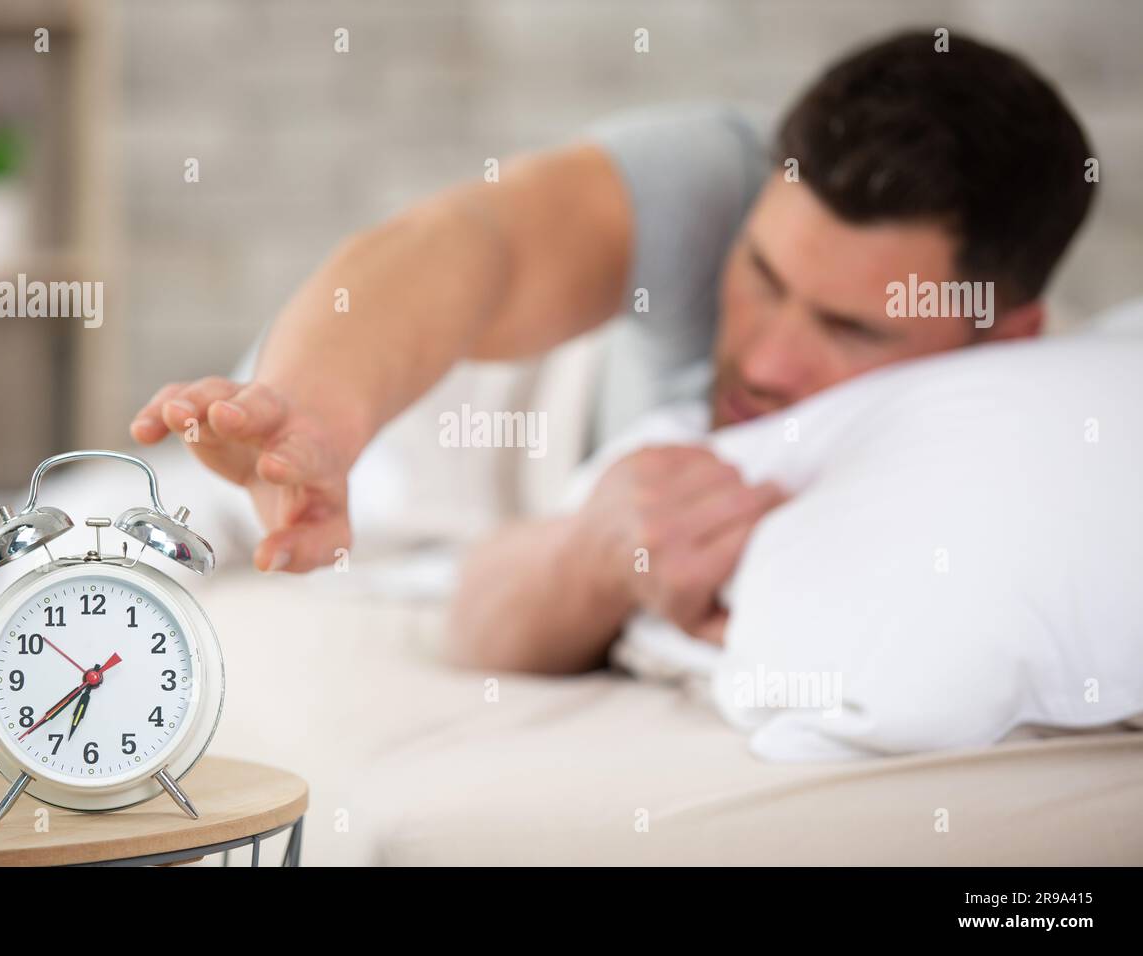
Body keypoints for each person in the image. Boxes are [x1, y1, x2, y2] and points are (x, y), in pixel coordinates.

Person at [129, 31, 1093, 675]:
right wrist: (315, 417)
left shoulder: (1019, 424)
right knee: (162, 517)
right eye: (760, 274)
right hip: (458, 398)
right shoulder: (722, 174)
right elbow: (471, 241)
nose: (766, 359)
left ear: (1005, 334)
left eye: (852, 328)